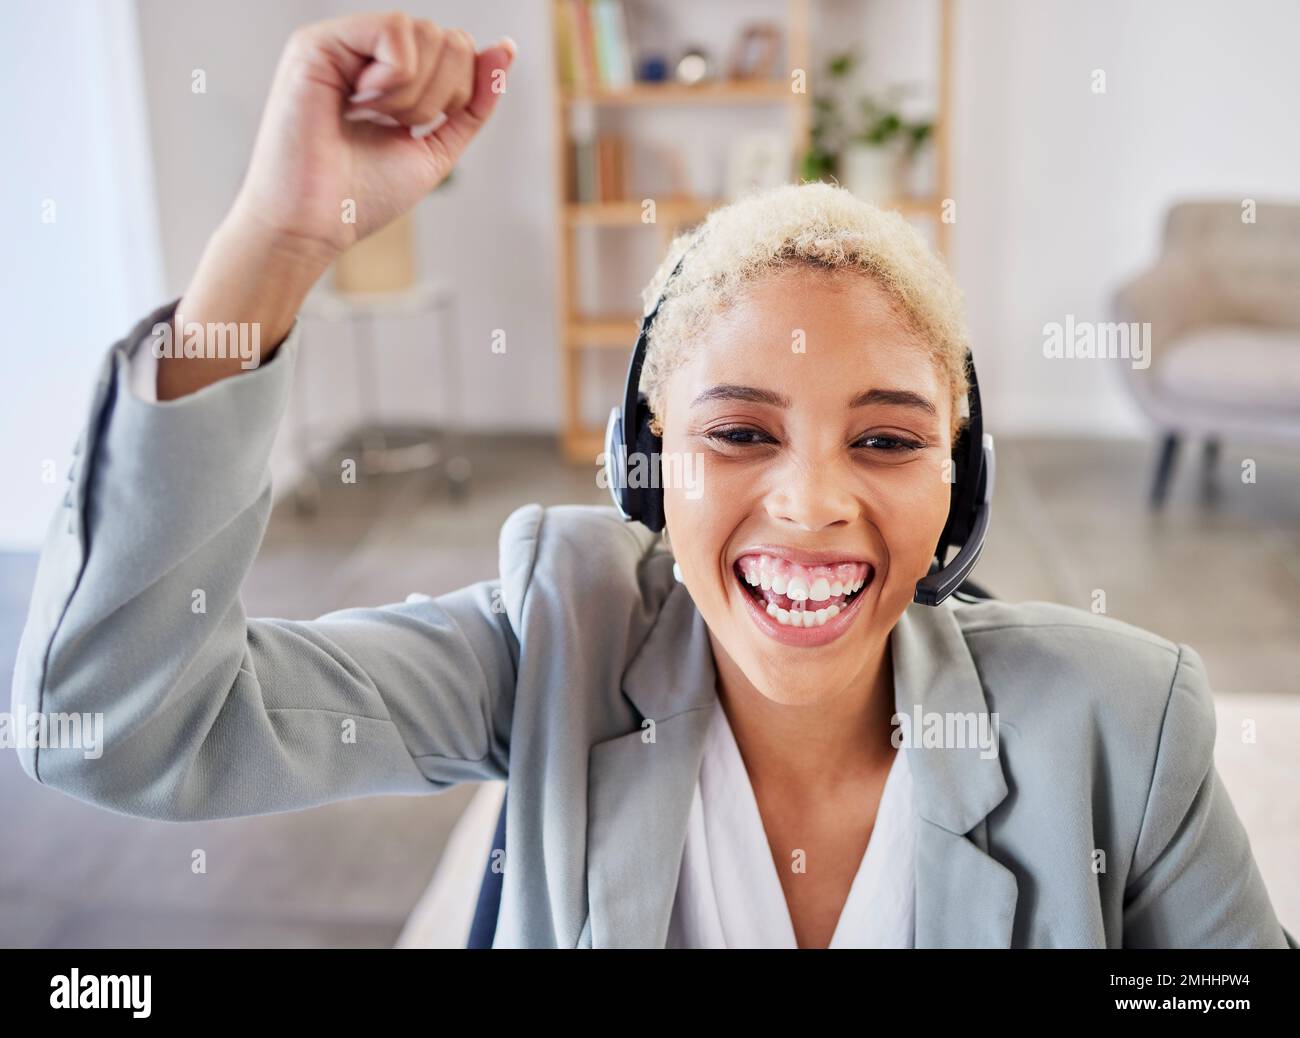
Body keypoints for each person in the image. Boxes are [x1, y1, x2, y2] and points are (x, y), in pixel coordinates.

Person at [12, 12, 1294, 949]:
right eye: (738, 433)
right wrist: (280, 246)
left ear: (961, 486)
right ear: (644, 468)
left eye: (888, 439)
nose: (810, 503)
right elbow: (124, 727)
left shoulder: (1125, 720)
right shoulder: (552, 639)